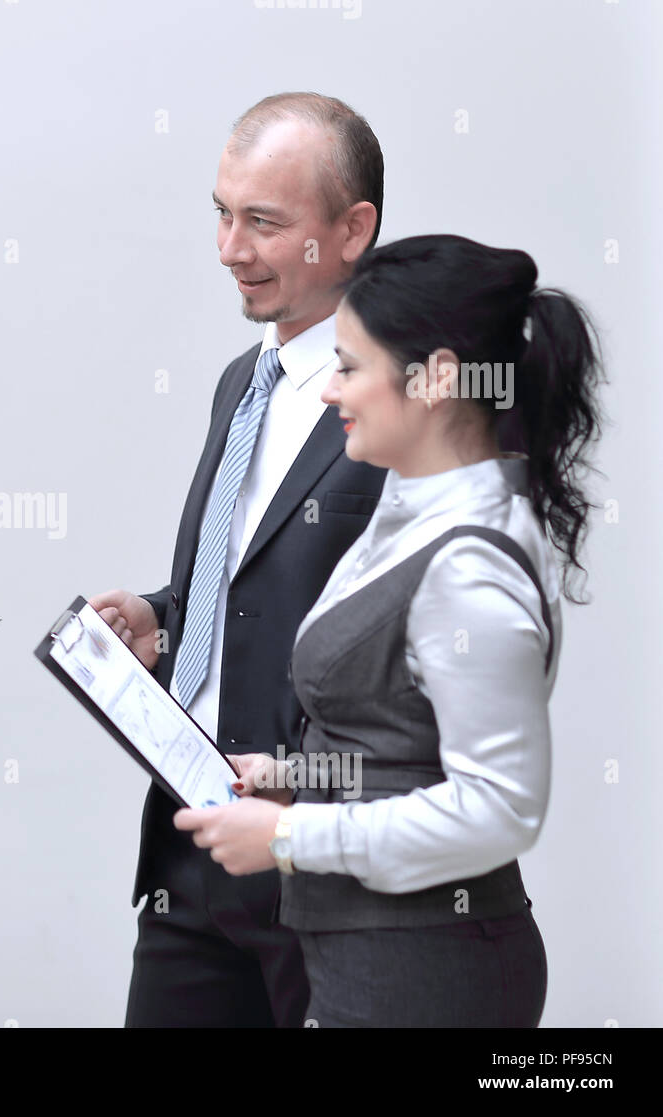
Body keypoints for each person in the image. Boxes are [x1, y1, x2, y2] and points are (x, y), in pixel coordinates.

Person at [174, 233, 604, 1027]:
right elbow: (402, 749)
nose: (332, 391)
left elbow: (500, 808)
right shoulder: (409, 509)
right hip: (365, 959)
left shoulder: (470, 565)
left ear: (438, 377)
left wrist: (292, 834)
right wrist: (293, 773)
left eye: (350, 366)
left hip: (425, 971)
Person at [90, 92, 386, 1027]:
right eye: (221, 213)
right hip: (189, 851)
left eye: (262, 222)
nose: (228, 248)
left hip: (321, 868)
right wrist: (163, 616)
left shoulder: (405, 403)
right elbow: (259, 574)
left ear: (352, 230)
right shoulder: (241, 381)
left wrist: (307, 792)